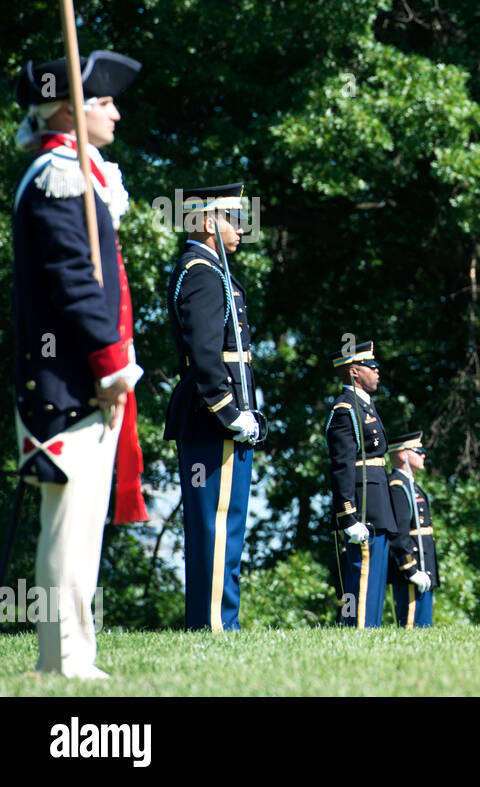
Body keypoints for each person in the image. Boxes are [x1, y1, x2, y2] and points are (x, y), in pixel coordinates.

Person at [11, 50, 145, 678]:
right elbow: (76, 284)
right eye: (103, 101)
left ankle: (72, 658)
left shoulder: (75, 171)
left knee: (82, 529)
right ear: (69, 108)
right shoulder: (58, 175)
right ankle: (62, 661)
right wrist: (113, 365)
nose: (115, 112)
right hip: (68, 380)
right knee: (67, 530)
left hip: (80, 377)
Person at [163, 183, 259, 632]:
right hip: (211, 419)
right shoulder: (201, 271)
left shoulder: (211, 269)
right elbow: (205, 354)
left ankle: (216, 620)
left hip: (219, 418)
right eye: (232, 220)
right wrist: (229, 411)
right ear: (205, 222)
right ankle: (216, 625)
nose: (241, 229)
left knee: (223, 526)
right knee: (217, 527)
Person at [325, 340, 400, 628]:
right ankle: (358, 634)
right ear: (354, 372)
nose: (377, 371)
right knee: (362, 578)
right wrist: (348, 515)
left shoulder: (364, 406)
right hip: (362, 505)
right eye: (371, 366)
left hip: (378, 503)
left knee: (376, 581)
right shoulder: (345, 410)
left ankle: (371, 633)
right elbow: (342, 465)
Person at [387, 431, 437, 628]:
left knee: (422, 626)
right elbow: (399, 535)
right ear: (403, 455)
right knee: (411, 627)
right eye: (419, 451)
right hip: (412, 569)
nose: (423, 455)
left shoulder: (411, 485)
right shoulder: (398, 487)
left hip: (424, 566)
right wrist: (411, 569)